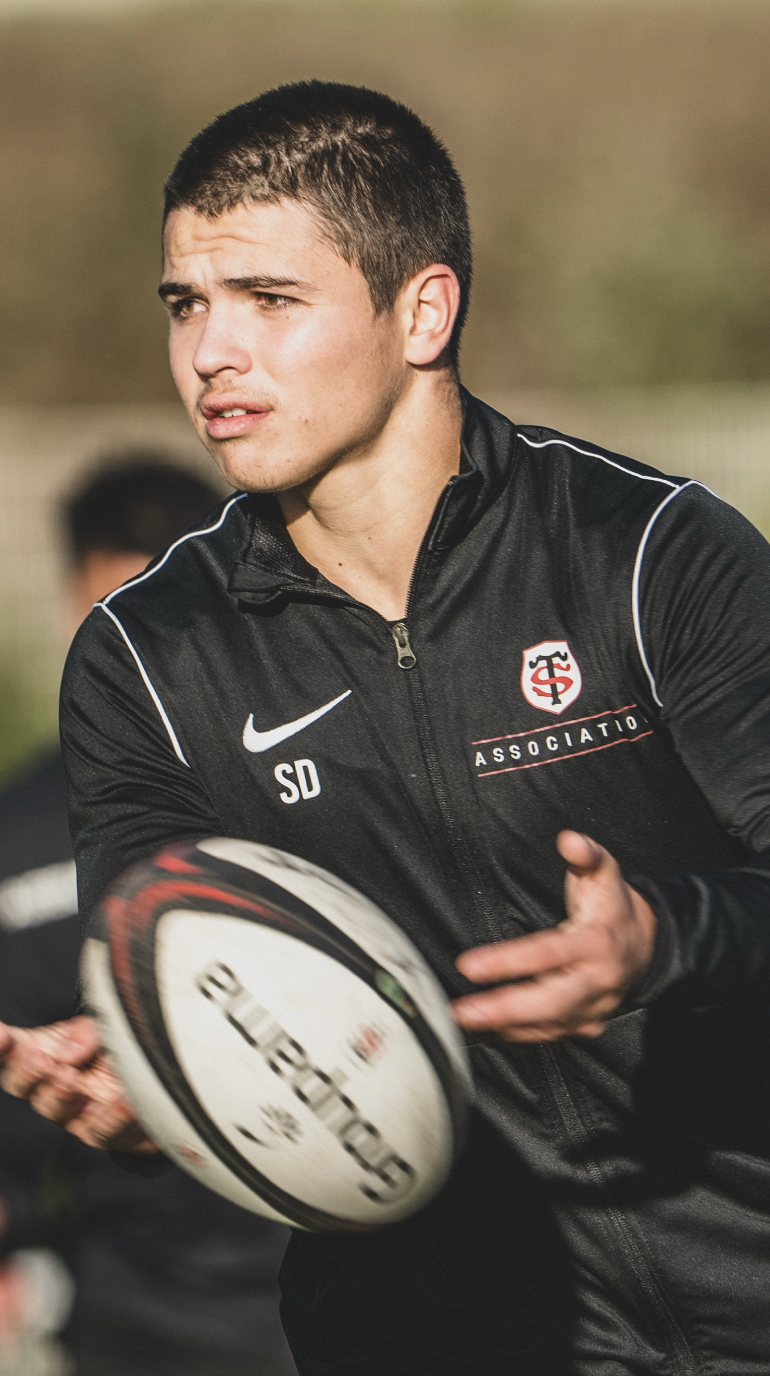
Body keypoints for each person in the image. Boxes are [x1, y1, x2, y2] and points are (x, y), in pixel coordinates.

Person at [1, 80, 770, 1373]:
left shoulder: (643, 553)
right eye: (187, 305)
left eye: (268, 300)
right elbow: (183, 965)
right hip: (439, 1330)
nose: (209, 354)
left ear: (421, 309)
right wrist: (155, 1079)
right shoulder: (146, 657)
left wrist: (661, 941)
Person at [0, 457, 295, 1375]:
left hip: (360, 1303)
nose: (129, 654)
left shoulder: (322, 780)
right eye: (110, 621)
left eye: (153, 618)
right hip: (139, 1321)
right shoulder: (16, 836)